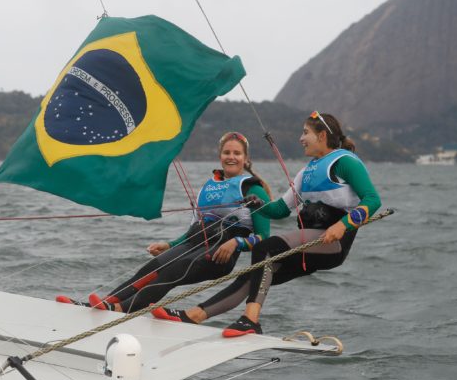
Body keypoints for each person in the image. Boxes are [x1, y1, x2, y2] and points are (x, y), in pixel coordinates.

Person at [153, 112, 381, 336]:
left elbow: (373, 200)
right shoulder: (306, 172)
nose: (301, 139)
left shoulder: (345, 162)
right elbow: (280, 210)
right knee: (253, 273)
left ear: (322, 136)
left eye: (305, 133)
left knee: (265, 248)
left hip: (334, 243)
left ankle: (251, 320)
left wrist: (343, 225)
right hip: (307, 244)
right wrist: (256, 203)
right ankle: (194, 315)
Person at [57, 131, 271, 313]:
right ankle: (103, 306)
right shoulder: (209, 187)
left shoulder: (253, 189)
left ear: (245, 158)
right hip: (193, 245)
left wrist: (237, 243)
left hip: (220, 256)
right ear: (220, 156)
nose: (231, 157)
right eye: (227, 152)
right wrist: (170, 245)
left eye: (236, 153)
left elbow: (263, 237)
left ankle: (118, 310)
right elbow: (192, 232)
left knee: (171, 272)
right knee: (151, 268)